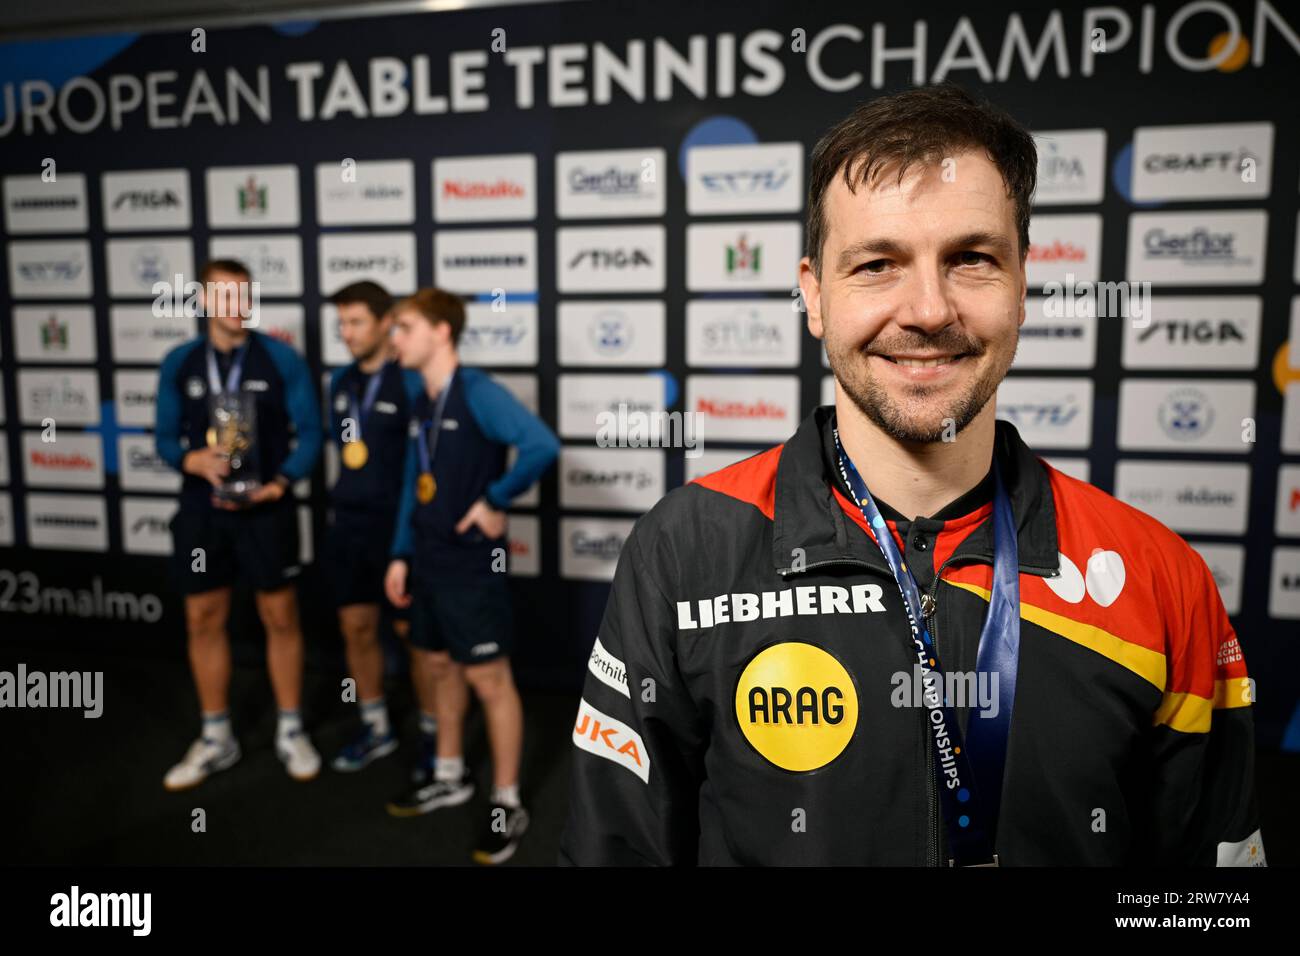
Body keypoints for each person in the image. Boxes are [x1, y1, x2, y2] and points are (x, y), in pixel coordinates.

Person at [559, 85, 1266, 866]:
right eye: (876, 264)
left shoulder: (1161, 578)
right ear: (814, 294)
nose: (928, 309)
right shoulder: (686, 548)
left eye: (971, 258)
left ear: (1023, 284)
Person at [383, 288, 560, 864]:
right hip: (429, 558)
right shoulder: (421, 396)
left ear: (440, 332)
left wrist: (496, 498)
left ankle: (506, 800)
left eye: (404, 327)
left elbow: (540, 444)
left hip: (470, 565)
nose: (395, 339)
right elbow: (417, 476)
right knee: (438, 665)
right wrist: (400, 553)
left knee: (489, 678)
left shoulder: (478, 392)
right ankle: (450, 773)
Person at [156, 258, 324, 790]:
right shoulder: (180, 362)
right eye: (224, 295)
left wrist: (282, 481)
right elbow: (162, 437)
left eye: (244, 294)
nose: (237, 305)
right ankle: (216, 735)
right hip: (203, 513)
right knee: (204, 618)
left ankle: (291, 729)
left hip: (266, 510)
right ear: (202, 302)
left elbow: (315, 435)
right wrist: (190, 461)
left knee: (280, 616)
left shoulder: (280, 359)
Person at [321, 281, 435, 778]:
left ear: (386, 322)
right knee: (357, 627)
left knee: (415, 636)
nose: (345, 333)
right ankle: (375, 726)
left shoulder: (410, 380)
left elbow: (425, 462)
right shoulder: (341, 383)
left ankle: (434, 736)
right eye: (341, 323)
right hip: (349, 527)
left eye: (356, 322)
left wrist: (408, 540)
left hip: (400, 530)